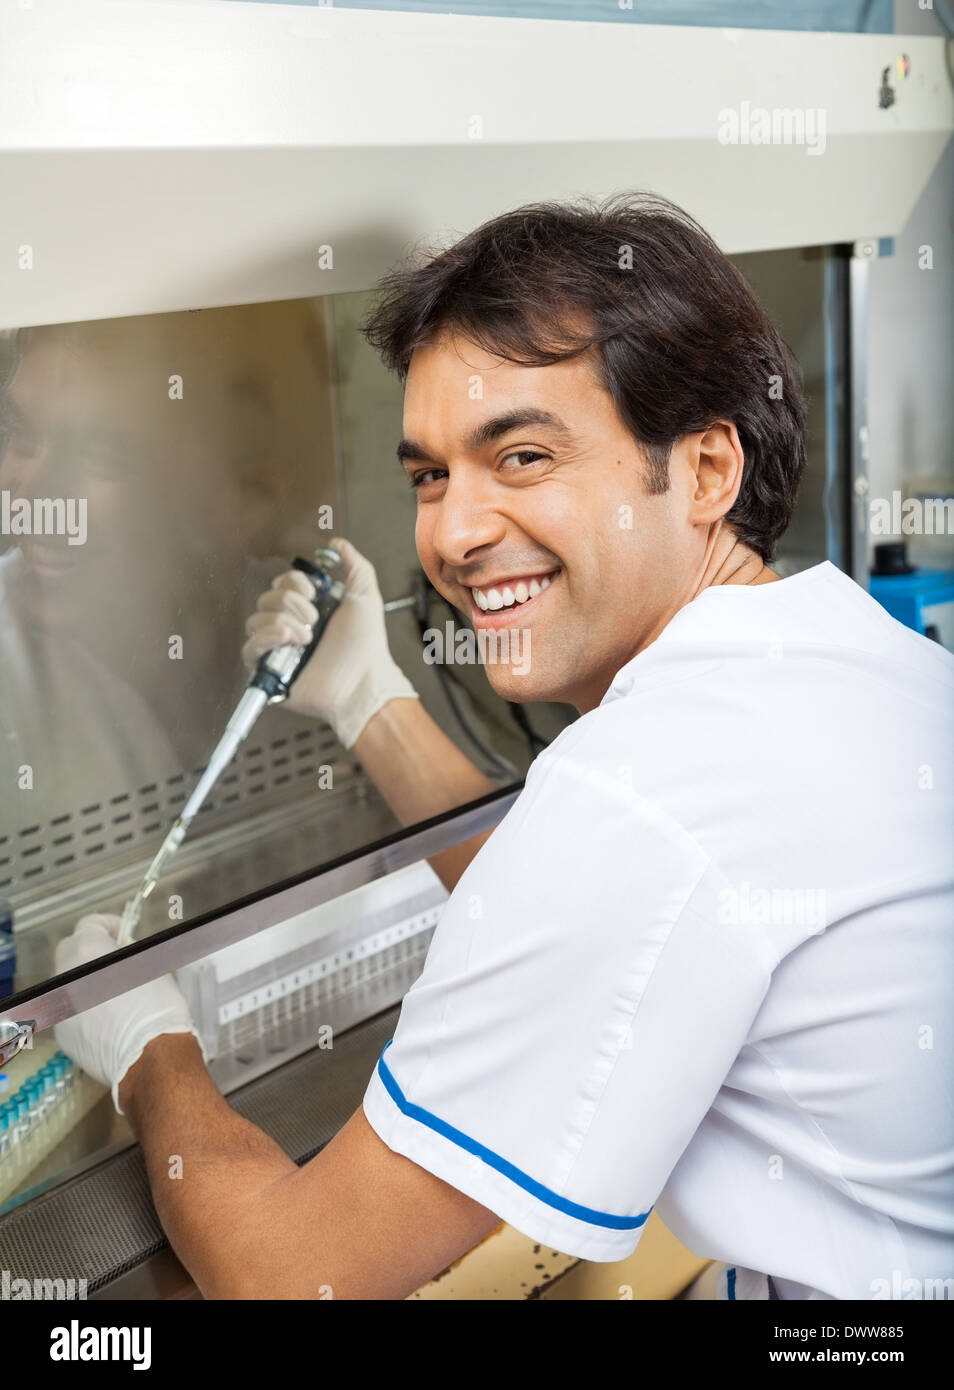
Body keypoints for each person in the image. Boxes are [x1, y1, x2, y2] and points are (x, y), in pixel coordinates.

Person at [53, 194, 953, 1300]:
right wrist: (369, 701)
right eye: (430, 473)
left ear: (709, 470)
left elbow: (292, 1279)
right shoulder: (837, 652)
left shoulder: (649, 783)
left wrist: (145, 1045)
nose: (452, 532)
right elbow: (614, 907)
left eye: (521, 456)